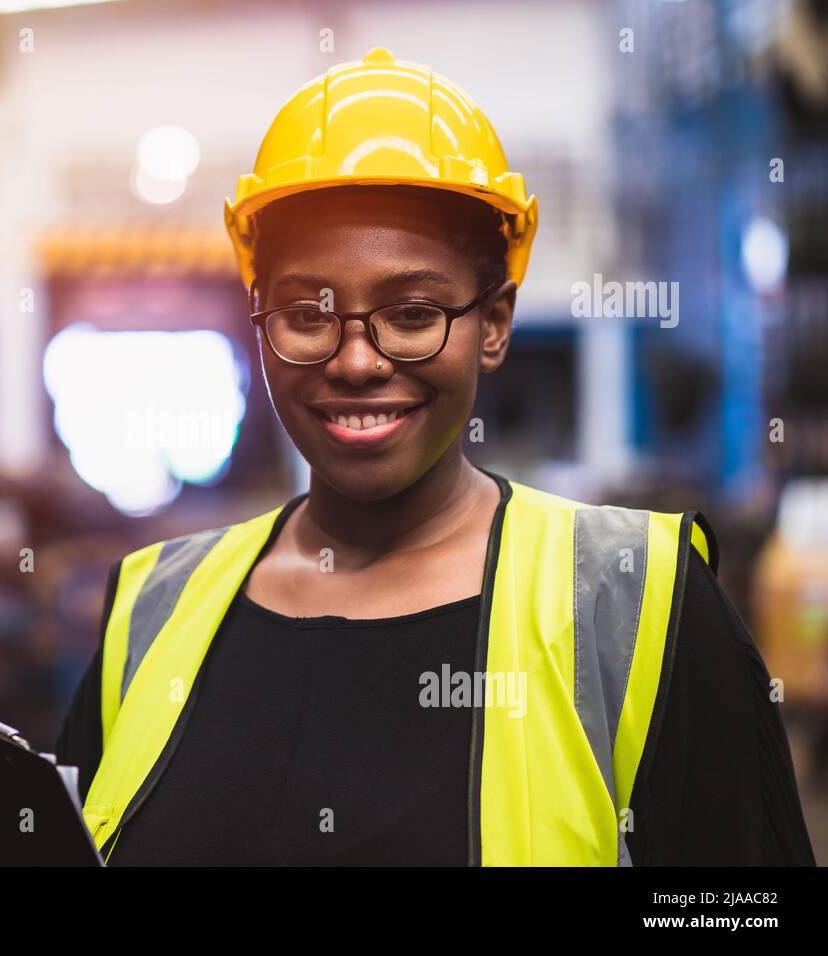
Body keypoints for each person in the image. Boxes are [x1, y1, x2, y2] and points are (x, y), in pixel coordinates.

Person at [54, 49, 817, 866]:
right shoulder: (153, 608)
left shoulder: (636, 604)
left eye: (413, 313)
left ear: (493, 324)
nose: (355, 361)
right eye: (307, 313)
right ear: (258, 318)